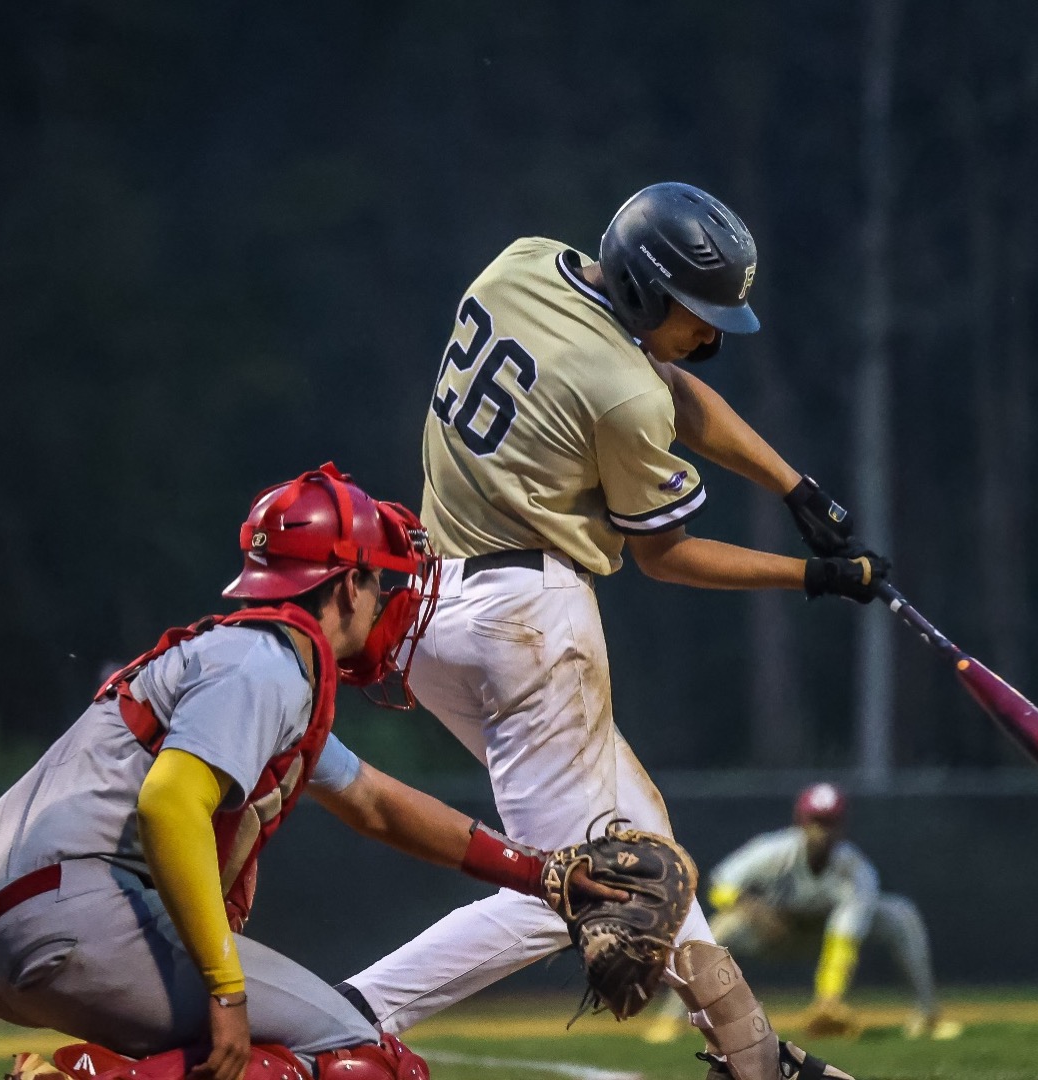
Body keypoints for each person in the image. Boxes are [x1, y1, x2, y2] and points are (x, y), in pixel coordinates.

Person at [338, 182, 885, 1080]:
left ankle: (752, 1056)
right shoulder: (624, 396)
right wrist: (814, 576)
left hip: (430, 611)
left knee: (645, 847)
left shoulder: (522, 264)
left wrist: (793, 486)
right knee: (593, 889)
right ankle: (345, 1014)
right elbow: (667, 554)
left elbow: (661, 380)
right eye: (700, 314)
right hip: (528, 626)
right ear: (641, 290)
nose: (712, 337)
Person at [0, 464, 625, 1080]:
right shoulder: (264, 665)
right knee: (363, 1065)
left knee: (255, 1058)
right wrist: (225, 988)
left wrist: (541, 873)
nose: (386, 594)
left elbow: (375, 804)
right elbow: (168, 804)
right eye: (378, 577)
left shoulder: (245, 657)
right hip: (71, 915)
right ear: (347, 583)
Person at [643, 784, 961, 1044]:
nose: (822, 831)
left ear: (842, 827)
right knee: (717, 930)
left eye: (829, 823)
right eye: (816, 822)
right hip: (773, 933)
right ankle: (671, 1020)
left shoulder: (856, 871)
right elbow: (721, 882)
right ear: (801, 822)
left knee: (900, 914)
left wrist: (828, 999)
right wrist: (757, 912)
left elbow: (845, 935)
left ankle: (927, 1015)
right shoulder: (774, 850)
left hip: (823, 937)